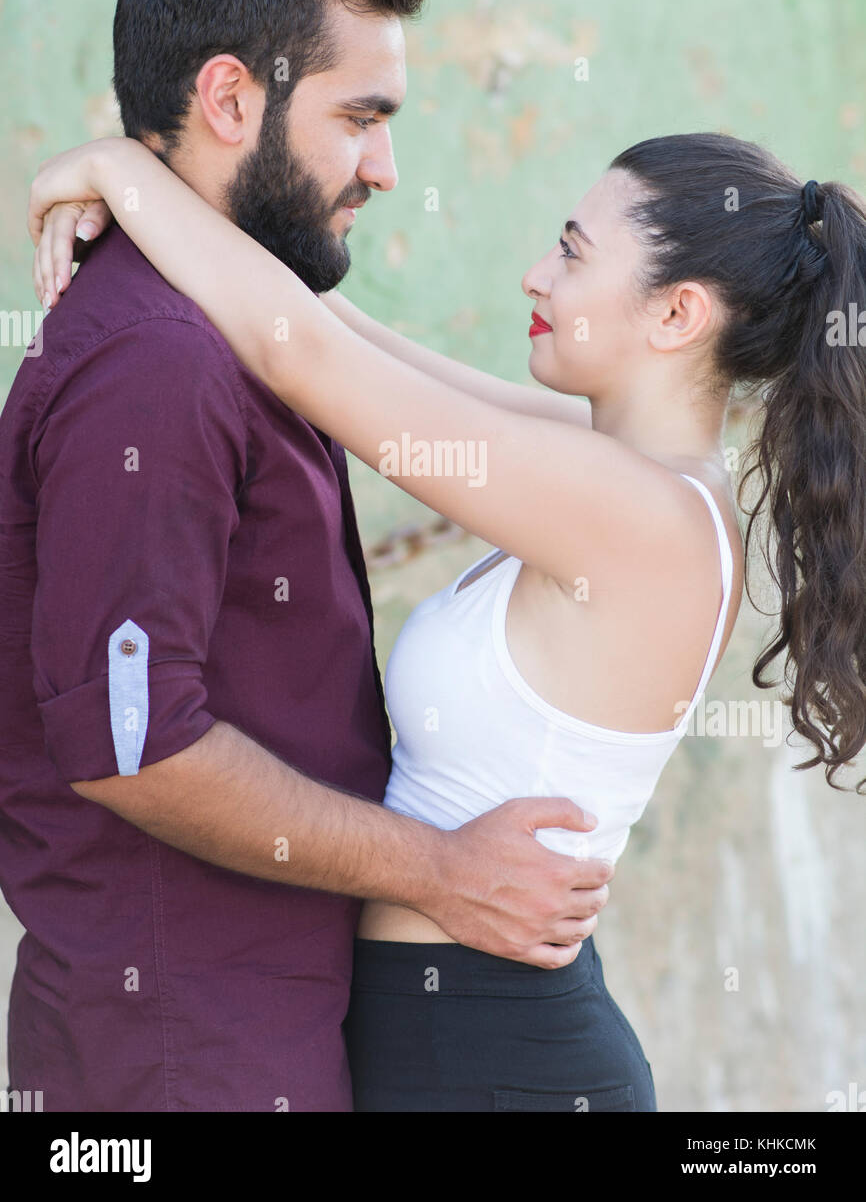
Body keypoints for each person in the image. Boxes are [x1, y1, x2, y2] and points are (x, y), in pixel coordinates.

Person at [29, 128, 866, 1112]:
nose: (534, 275)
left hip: (489, 1057)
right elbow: (340, 336)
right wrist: (163, 204)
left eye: (570, 251)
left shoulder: (639, 515)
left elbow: (300, 359)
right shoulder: (617, 467)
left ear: (676, 311)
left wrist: (113, 170)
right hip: (453, 1031)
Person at [0, 0, 612, 1116]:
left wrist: (125, 168)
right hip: (177, 1056)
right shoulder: (158, 363)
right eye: (361, 117)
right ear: (232, 97)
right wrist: (439, 869)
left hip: (261, 1023)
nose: (386, 167)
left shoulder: (247, 328)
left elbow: (336, 350)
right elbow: (135, 744)